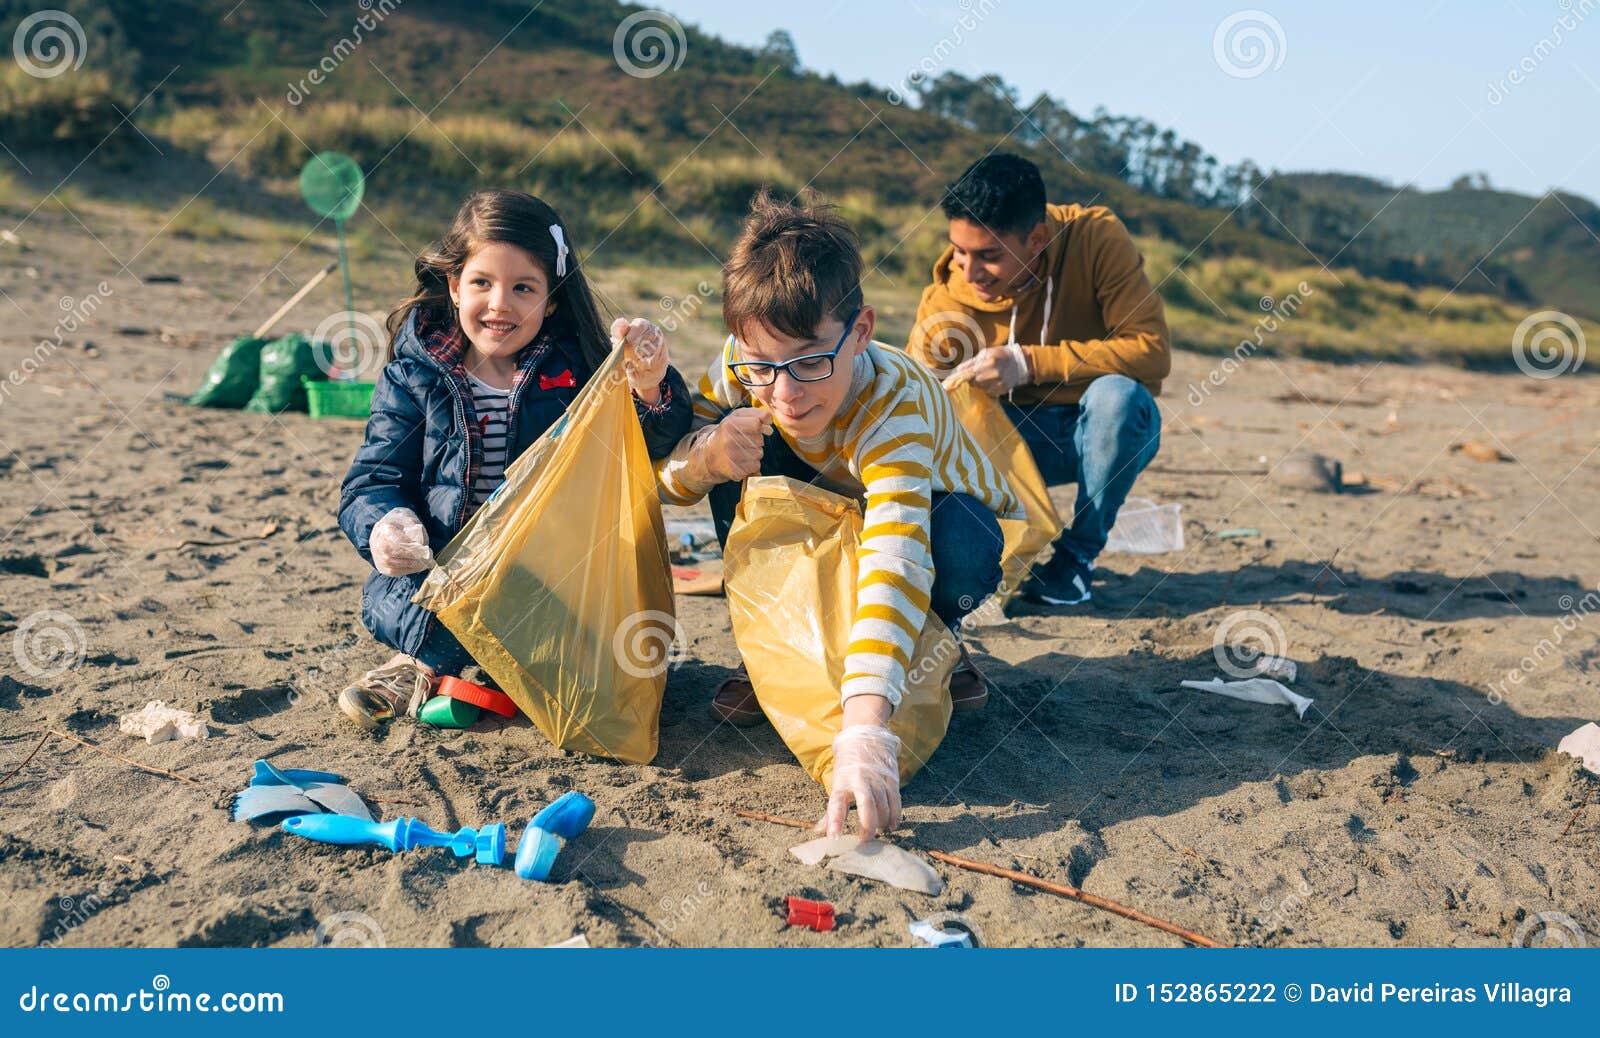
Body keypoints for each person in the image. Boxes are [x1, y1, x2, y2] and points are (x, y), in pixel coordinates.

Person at [656, 193, 1022, 838]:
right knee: (733, 449)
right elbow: (669, 487)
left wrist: (863, 726)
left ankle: (939, 642)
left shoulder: (895, 400)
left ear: (860, 331)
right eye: (766, 365)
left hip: (931, 519)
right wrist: (706, 458)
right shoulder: (743, 366)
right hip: (816, 512)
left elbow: (896, 550)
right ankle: (770, 646)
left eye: (811, 360)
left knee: (962, 541)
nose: (786, 392)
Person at [336, 189, 692, 730]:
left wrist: (648, 383)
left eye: (523, 287)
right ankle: (418, 665)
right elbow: (373, 479)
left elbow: (650, 439)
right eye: (482, 283)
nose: (500, 304)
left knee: (606, 652)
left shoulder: (579, 374)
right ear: (454, 287)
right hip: (443, 577)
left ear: (551, 300)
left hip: (553, 577)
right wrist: (384, 525)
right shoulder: (414, 376)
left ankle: (489, 667)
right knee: (416, 611)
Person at [909, 153, 1170, 606]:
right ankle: (984, 557)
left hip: (1094, 434)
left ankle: (1076, 557)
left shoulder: (1095, 238)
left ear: (1036, 239)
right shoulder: (947, 299)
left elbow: (1151, 351)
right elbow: (913, 406)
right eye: (959, 251)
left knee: (1119, 398)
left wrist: (1027, 364)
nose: (970, 272)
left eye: (989, 256)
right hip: (1004, 446)